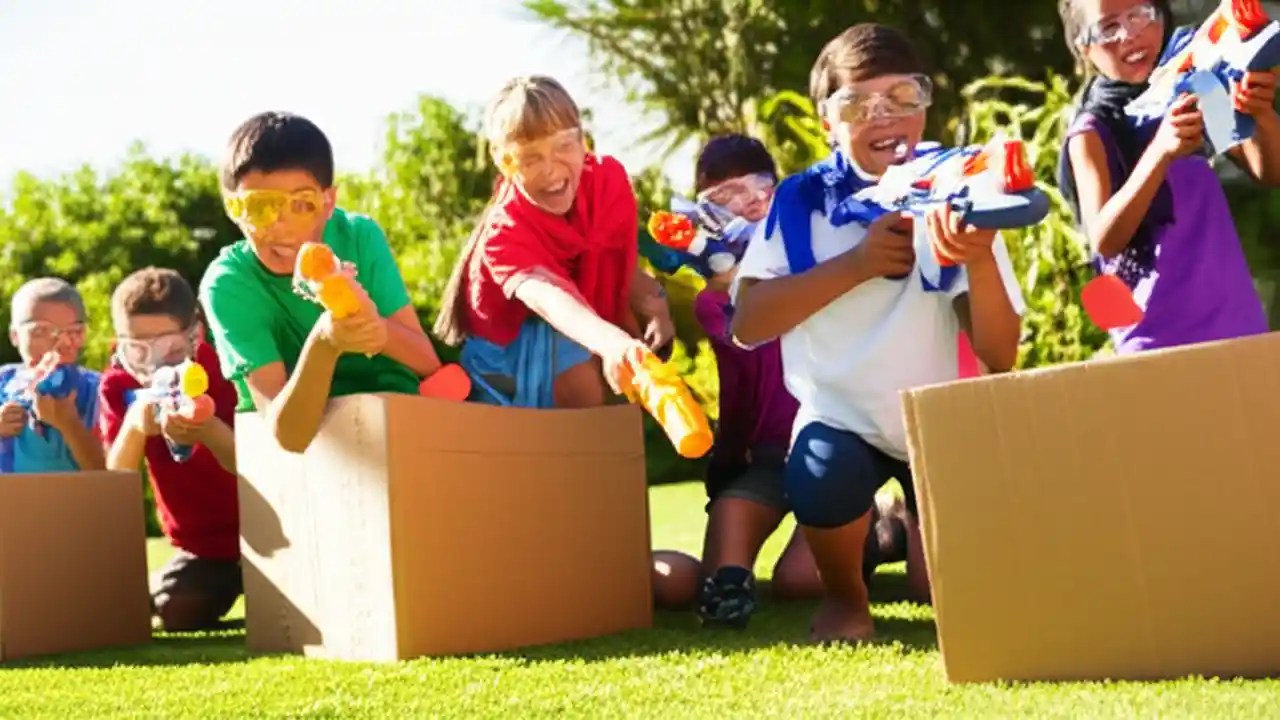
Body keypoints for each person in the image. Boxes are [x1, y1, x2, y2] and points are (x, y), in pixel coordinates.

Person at [730, 23, 1026, 643]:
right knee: (820, 473)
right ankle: (848, 597)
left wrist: (977, 255)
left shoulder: (956, 189)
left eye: (903, 97)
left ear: (926, 105)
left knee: (942, 596)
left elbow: (1000, 355)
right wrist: (857, 264)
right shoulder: (798, 201)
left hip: (935, 420)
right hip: (840, 418)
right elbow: (750, 324)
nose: (883, 115)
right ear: (825, 124)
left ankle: (894, 524)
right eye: (857, 104)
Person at [651, 134, 909, 628]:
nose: (745, 202)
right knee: (724, 578)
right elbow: (740, 388)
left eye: (757, 186)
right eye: (724, 197)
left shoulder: (821, 257)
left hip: (839, 437)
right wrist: (728, 468)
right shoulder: (713, 303)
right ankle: (836, 536)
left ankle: (881, 528)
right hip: (770, 453)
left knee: (799, 581)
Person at [199, 111, 443, 453]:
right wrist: (326, 343)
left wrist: (378, 331)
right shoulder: (228, 285)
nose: (279, 226)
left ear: (328, 202)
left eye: (301, 204)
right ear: (232, 208)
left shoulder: (359, 236)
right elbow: (289, 437)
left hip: (398, 426)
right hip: (308, 457)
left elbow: (426, 361)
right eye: (259, 208)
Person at [433, 75, 674, 409]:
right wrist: (610, 342)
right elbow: (551, 299)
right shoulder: (504, 230)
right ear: (503, 161)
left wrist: (655, 303)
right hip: (508, 359)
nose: (550, 169)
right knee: (578, 361)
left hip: (587, 330)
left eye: (564, 146)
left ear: (583, 141)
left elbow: (613, 259)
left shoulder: (608, 181)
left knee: (618, 388)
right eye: (530, 158)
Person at [1057, 0, 1280, 353]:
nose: (1130, 34)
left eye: (1139, 14)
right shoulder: (1091, 133)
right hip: (1156, 346)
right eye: (1108, 27)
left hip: (1238, 324)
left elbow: (1268, 171)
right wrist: (1161, 151)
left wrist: (1259, 113)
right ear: (1085, 47)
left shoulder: (1194, 88)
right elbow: (1103, 238)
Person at [100, 267, 241, 631]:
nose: (153, 362)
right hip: (201, 547)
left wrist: (207, 429)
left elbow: (258, 466)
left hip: (264, 527)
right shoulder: (119, 385)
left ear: (196, 333)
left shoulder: (228, 365)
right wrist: (134, 427)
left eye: (168, 347)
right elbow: (115, 487)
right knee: (176, 612)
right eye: (137, 349)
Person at [0, 278, 103, 472]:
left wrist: (70, 424)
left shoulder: (98, 391)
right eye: (41, 331)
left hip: (79, 502)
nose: (59, 344)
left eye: (72, 332)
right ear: (15, 336)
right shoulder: (3, 382)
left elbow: (113, 478)